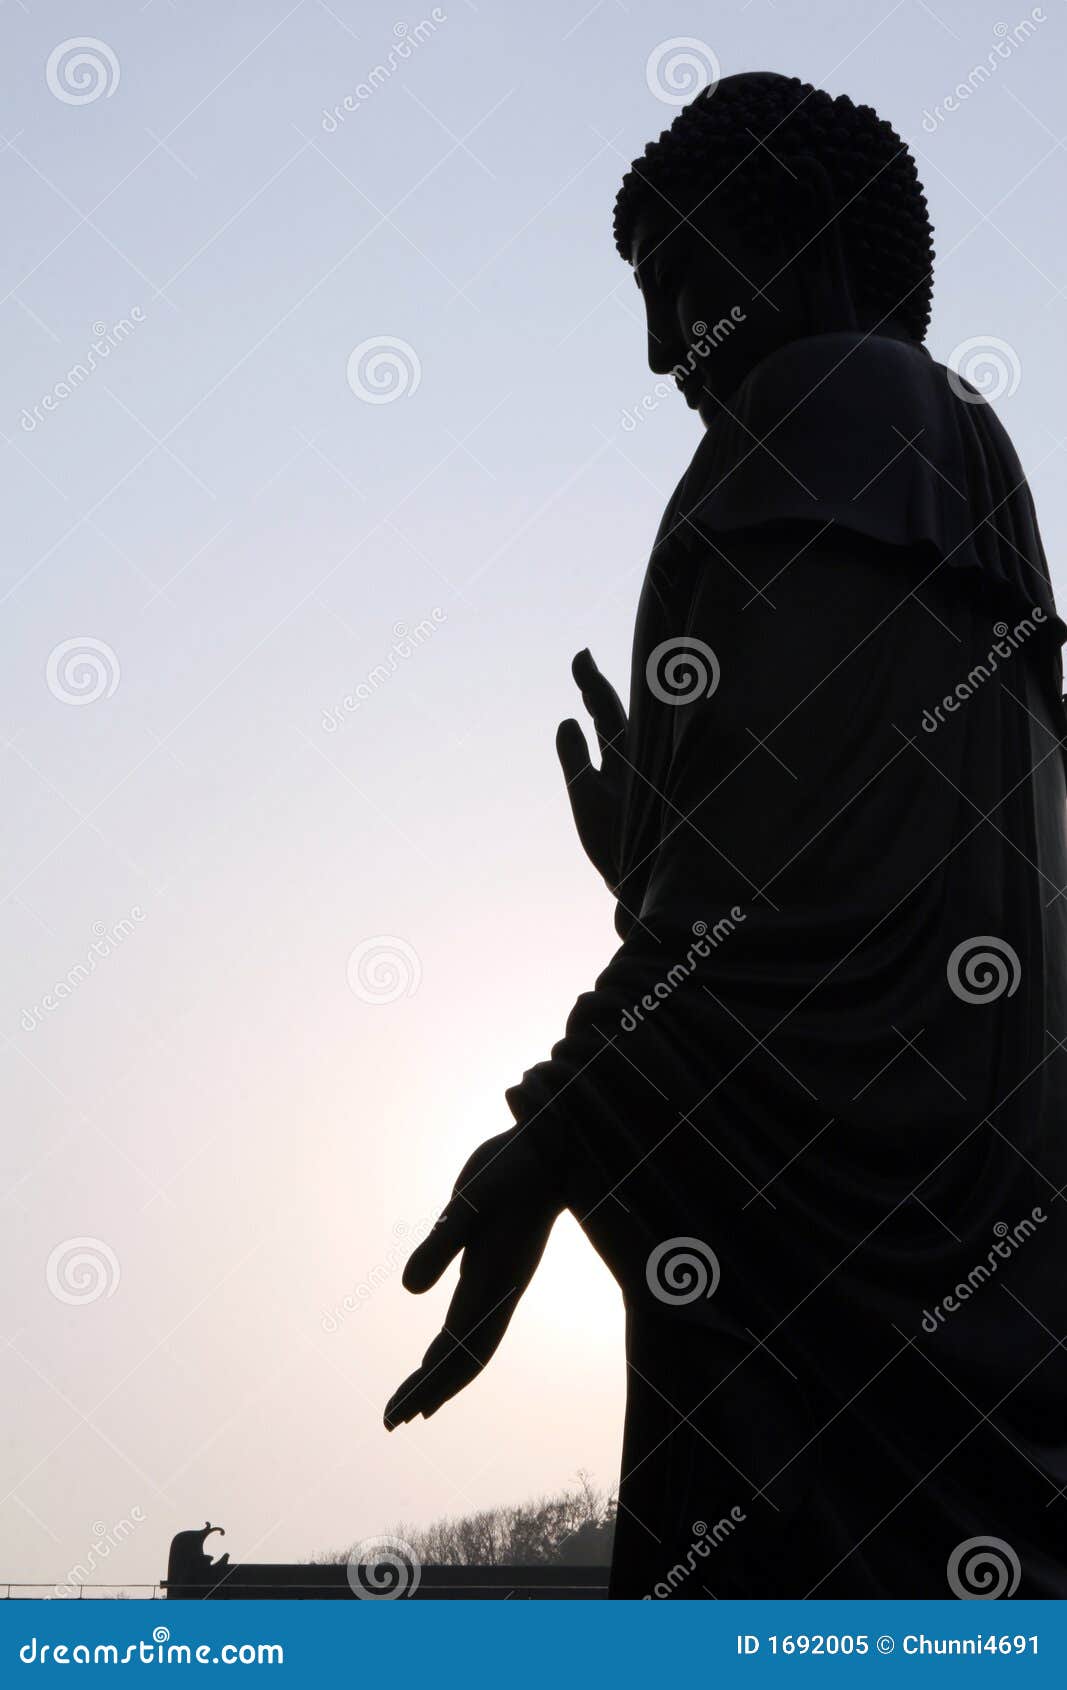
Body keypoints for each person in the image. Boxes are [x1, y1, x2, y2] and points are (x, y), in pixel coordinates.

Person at [385, 72, 1067, 1598]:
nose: (657, 351)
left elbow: (790, 934)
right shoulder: (962, 449)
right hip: (970, 1288)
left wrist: (557, 1129)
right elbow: (865, 894)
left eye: (680, 277)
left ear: (810, 250)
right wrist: (658, 863)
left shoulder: (826, 405)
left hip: (841, 1284)